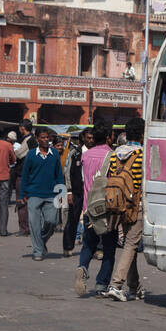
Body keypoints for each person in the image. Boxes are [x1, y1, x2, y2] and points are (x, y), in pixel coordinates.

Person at [103, 117, 145, 301]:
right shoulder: (143, 154)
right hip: (137, 204)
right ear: (144, 134)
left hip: (119, 204)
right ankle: (117, 284)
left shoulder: (115, 154)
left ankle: (134, 287)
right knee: (131, 244)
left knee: (130, 243)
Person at [74, 124, 116, 296]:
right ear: (107, 138)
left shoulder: (85, 155)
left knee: (88, 245)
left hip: (88, 207)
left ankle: (82, 267)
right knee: (109, 248)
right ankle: (101, 284)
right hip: (106, 208)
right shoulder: (111, 156)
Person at [19, 128, 62, 261]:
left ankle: (41, 240)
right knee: (34, 224)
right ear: (37, 139)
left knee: (52, 221)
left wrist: (62, 194)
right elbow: (25, 175)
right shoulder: (31, 155)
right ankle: (38, 251)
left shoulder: (54, 153)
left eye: (47, 137)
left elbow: (59, 174)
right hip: (34, 194)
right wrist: (22, 195)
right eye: (42, 138)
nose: (46, 140)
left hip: (51, 194)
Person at [63, 128, 92, 257]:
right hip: (77, 190)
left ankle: (95, 248)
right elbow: (68, 172)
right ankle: (68, 246)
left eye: (92, 138)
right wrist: (69, 191)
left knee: (93, 220)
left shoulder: (96, 152)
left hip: (91, 190)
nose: (90, 140)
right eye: (88, 138)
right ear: (83, 138)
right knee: (73, 219)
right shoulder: (75, 153)